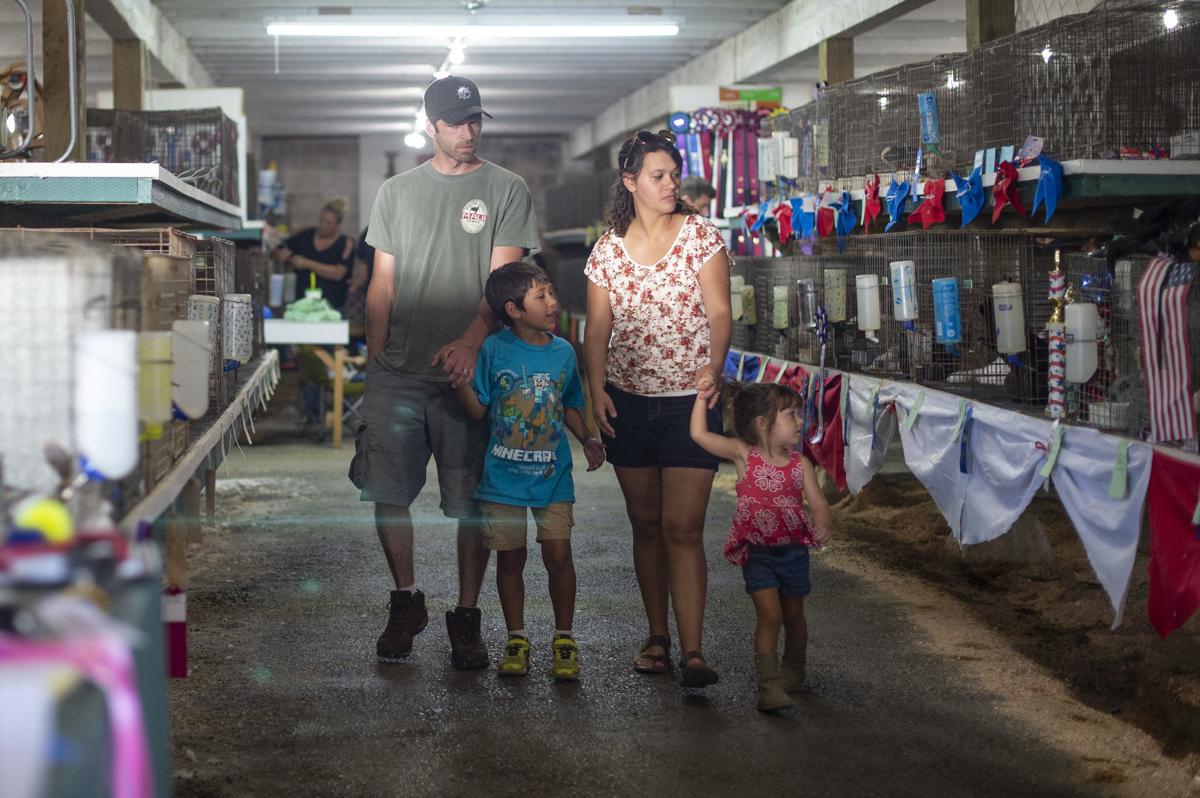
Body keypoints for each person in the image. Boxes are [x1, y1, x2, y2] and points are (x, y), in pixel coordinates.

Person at [356, 75, 541, 668]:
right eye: (458, 122)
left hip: (472, 373)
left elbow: (502, 282)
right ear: (431, 125)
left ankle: (466, 614)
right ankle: (405, 599)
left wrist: (469, 344)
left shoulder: (506, 188)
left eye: (476, 120)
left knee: (471, 500)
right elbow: (382, 283)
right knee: (387, 489)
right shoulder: (395, 193)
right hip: (400, 371)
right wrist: (376, 358)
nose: (469, 131)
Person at [583, 129, 732, 688]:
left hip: (690, 403)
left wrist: (714, 366)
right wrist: (595, 389)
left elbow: (720, 312)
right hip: (627, 401)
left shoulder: (700, 236)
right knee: (645, 525)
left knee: (683, 528)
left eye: (673, 175)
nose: (671, 185)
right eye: (658, 176)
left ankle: (693, 650)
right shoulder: (607, 249)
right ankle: (657, 636)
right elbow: (597, 329)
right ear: (630, 182)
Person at [454, 262, 605, 680]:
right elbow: (478, 410)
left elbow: (570, 404)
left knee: (559, 555)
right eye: (541, 296)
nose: (553, 302)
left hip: (552, 478)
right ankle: (516, 638)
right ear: (514, 310)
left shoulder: (563, 352)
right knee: (510, 559)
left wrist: (588, 438)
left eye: (551, 292)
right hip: (502, 481)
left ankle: (564, 638)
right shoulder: (493, 350)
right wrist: (460, 381)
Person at [689, 383, 832, 711]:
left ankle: (793, 668)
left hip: (794, 553)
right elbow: (699, 435)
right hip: (758, 555)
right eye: (791, 414)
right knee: (770, 616)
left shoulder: (800, 464)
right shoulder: (744, 455)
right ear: (763, 423)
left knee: (794, 615)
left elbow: (819, 503)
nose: (800, 421)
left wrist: (824, 523)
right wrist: (700, 398)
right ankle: (769, 686)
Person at [272, 197, 355, 310]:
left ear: (338, 225)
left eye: (328, 223)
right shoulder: (305, 235)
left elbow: (338, 273)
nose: (323, 225)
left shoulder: (346, 244)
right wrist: (280, 254)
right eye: (321, 220)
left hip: (332, 307)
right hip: (301, 304)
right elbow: (277, 250)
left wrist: (306, 263)